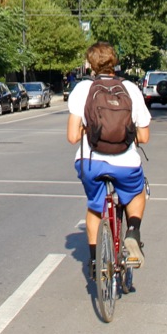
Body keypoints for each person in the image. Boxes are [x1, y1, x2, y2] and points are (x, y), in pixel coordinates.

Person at [66, 42, 152, 272]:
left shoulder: (82, 90)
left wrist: (90, 129)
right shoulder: (131, 89)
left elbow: (73, 136)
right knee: (137, 192)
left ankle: (95, 262)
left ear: (91, 64)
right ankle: (132, 231)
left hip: (90, 162)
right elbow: (144, 136)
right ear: (114, 62)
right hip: (125, 161)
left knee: (95, 206)